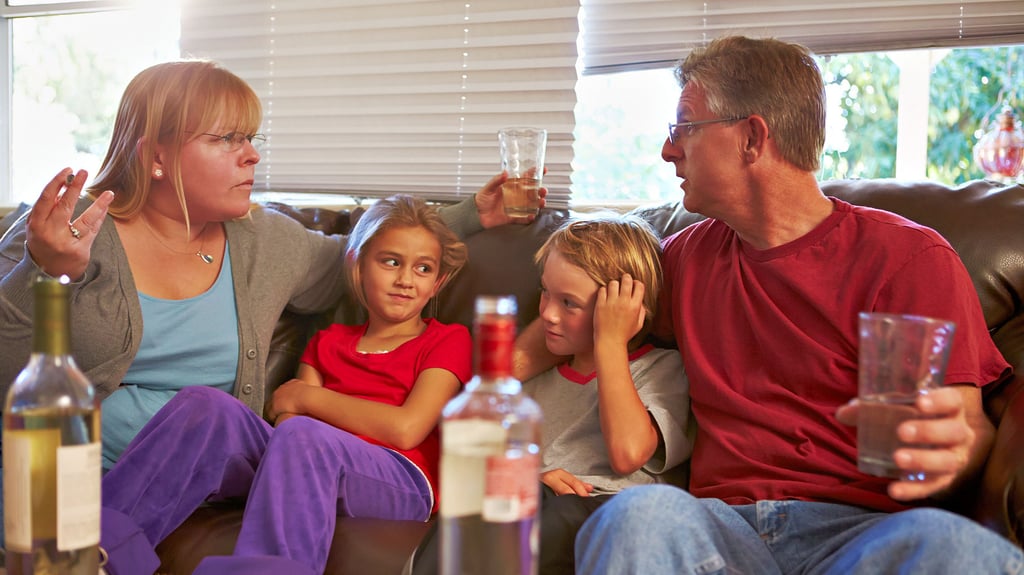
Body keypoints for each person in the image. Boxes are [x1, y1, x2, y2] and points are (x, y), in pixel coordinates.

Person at [0, 59, 541, 574]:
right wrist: (41, 272)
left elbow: (370, 259)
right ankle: (83, 554)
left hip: (217, 461)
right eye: (225, 139)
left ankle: (78, 556)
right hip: (67, 470)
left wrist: (470, 215)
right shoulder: (64, 229)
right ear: (156, 156)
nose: (251, 156)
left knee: (205, 409)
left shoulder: (267, 242)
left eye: (250, 139)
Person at [563, 36, 1023, 573]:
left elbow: (967, 426)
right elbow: (568, 305)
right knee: (637, 517)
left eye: (684, 127)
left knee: (957, 547)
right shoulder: (685, 258)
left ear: (752, 138)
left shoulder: (905, 258)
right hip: (720, 532)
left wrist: (955, 450)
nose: (669, 150)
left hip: (863, 535)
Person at [103, 193, 472, 575]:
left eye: (423, 269)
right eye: (391, 262)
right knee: (205, 405)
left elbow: (406, 428)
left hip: (401, 479)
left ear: (438, 281)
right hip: (305, 462)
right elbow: (283, 417)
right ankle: (95, 552)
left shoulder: (447, 339)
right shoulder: (328, 341)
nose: (406, 280)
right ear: (358, 266)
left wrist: (309, 397)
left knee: (303, 433)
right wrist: (302, 407)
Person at [411, 214, 694, 575]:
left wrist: (610, 342)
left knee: (559, 514)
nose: (547, 313)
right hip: (537, 514)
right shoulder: (532, 385)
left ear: (625, 310)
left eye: (569, 303)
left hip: (612, 515)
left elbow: (627, 454)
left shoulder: (661, 370)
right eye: (546, 292)